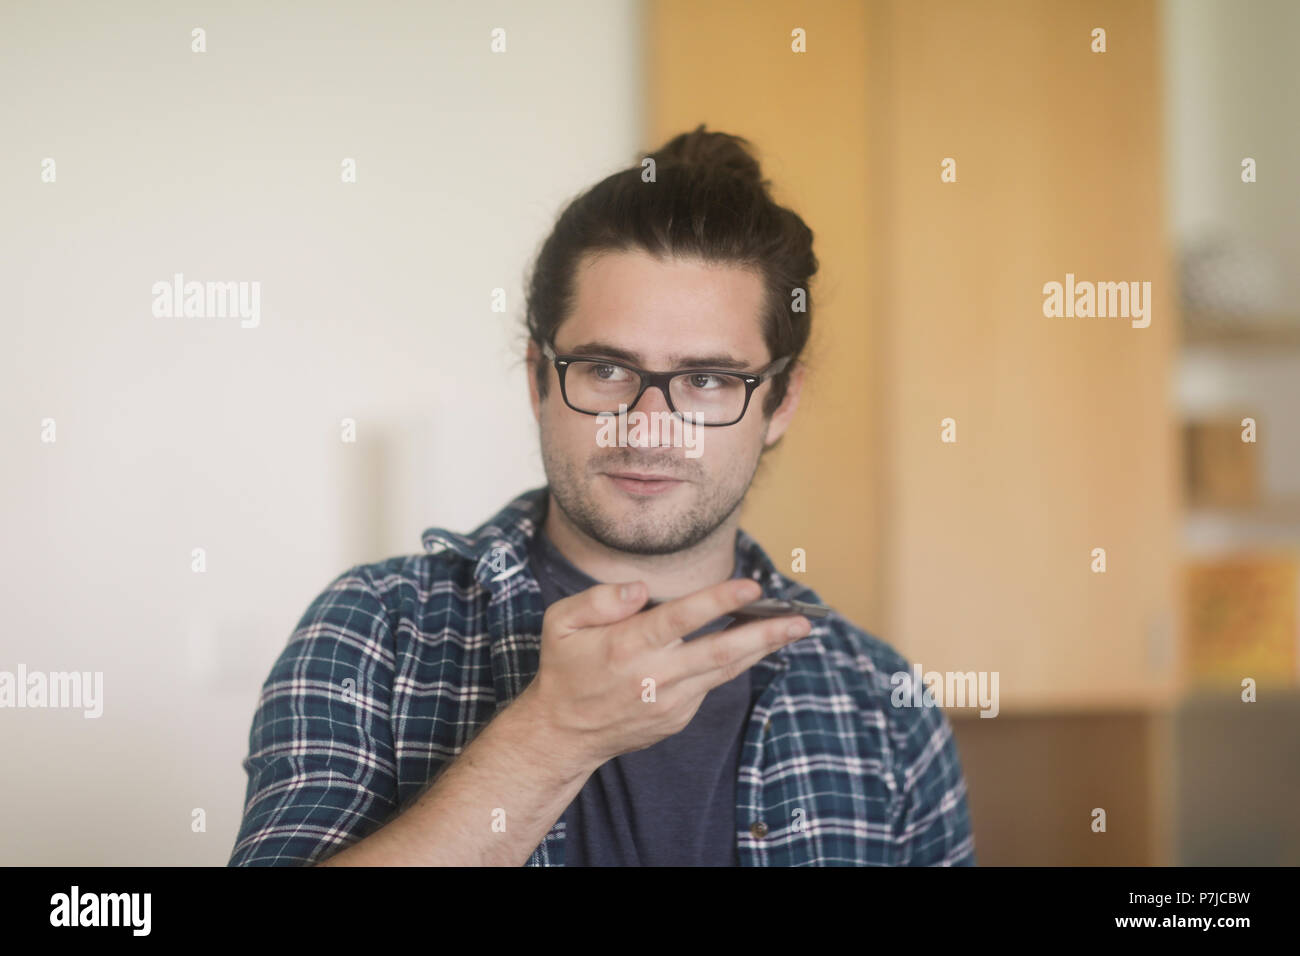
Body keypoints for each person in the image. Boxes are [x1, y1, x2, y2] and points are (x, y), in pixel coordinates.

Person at [228, 125, 975, 866]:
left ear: (780, 404)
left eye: (709, 380)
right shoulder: (375, 633)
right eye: (607, 370)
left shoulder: (884, 708)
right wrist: (554, 735)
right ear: (538, 379)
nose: (650, 429)